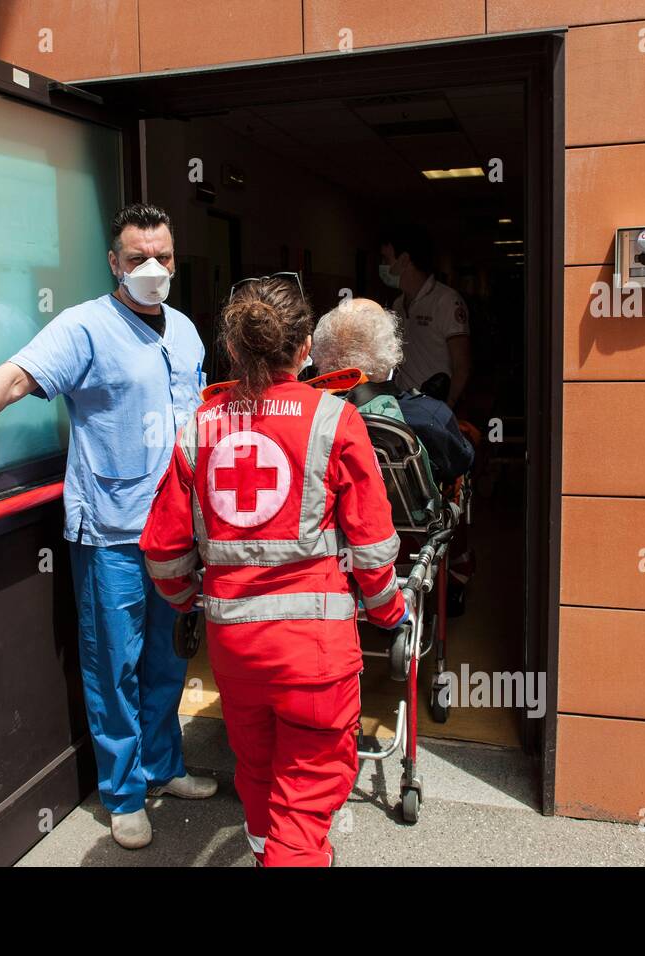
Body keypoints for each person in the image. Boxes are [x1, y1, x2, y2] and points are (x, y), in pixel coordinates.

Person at [0, 203, 217, 850]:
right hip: (112, 532)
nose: (152, 267)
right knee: (114, 665)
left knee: (169, 657)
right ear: (113, 263)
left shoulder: (187, 332)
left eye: (163, 256)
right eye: (137, 257)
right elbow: (13, 378)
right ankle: (123, 794)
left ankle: (164, 765)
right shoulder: (84, 327)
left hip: (175, 532)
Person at [140, 275, 410, 867]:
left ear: (233, 349)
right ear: (306, 347)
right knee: (306, 799)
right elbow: (371, 546)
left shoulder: (200, 426)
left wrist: (188, 599)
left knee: (258, 774)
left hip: (235, 651)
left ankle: (266, 852)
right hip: (315, 656)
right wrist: (390, 610)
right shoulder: (336, 420)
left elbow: (162, 551)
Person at [313, 297, 474, 484]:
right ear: (392, 350)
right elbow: (461, 462)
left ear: (319, 352)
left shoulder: (304, 414)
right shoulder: (427, 417)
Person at [379, 228, 471, 408]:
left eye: (386, 259)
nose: (382, 266)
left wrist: (446, 408)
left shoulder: (446, 301)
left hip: (435, 407)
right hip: (403, 405)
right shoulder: (398, 304)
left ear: (404, 260)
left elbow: (462, 366)